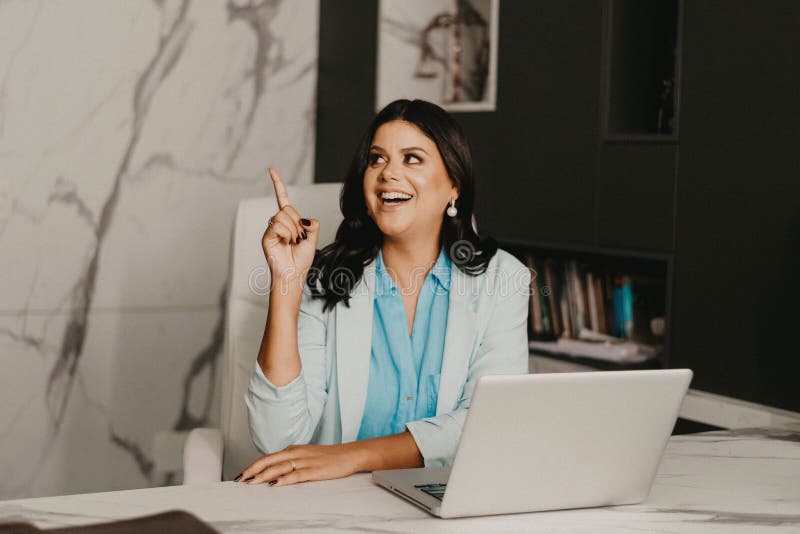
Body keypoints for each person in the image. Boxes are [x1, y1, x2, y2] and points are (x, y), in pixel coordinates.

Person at [237, 99, 530, 487]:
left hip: (448, 501)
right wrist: (287, 286)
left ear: (454, 186)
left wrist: (354, 456)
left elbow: (490, 420)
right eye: (377, 159)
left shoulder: (502, 278)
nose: (388, 172)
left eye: (412, 159)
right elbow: (277, 439)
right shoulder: (325, 278)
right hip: (330, 508)